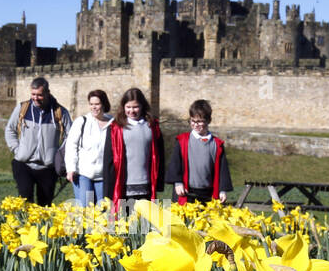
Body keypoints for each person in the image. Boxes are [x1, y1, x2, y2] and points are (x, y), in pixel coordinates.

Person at [5, 77, 72, 206]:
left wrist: (59, 156)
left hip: (48, 167)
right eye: (33, 94)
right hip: (23, 164)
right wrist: (17, 150)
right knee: (25, 203)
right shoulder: (22, 108)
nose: (35, 98)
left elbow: (71, 136)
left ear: (47, 93)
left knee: (45, 205)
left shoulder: (60, 112)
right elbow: (10, 130)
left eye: (39, 95)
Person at [102, 87, 164, 220]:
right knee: (125, 224)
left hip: (146, 185)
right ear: (123, 107)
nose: (132, 111)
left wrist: (159, 182)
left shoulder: (152, 126)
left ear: (142, 106)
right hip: (123, 186)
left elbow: (160, 155)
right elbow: (108, 160)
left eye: (135, 107)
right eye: (128, 107)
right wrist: (108, 189)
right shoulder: (115, 128)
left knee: (144, 226)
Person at [166, 99, 232, 204]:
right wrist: (178, 183)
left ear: (208, 120)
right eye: (193, 121)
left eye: (200, 121)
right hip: (186, 192)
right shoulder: (183, 141)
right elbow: (175, 164)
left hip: (207, 194)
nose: (196, 125)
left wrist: (222, 190)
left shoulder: (217, 144)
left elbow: (222, 170)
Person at [64, 90, 112, 206]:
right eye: (91, 104)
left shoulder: (112, 123)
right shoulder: (82, 122)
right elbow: (71, 146)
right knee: (86, 208)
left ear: (104, 104)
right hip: (83, 174)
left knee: (102, 209)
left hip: (103, 175)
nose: (93, 107)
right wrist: (71, 168)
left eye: (97, 104)